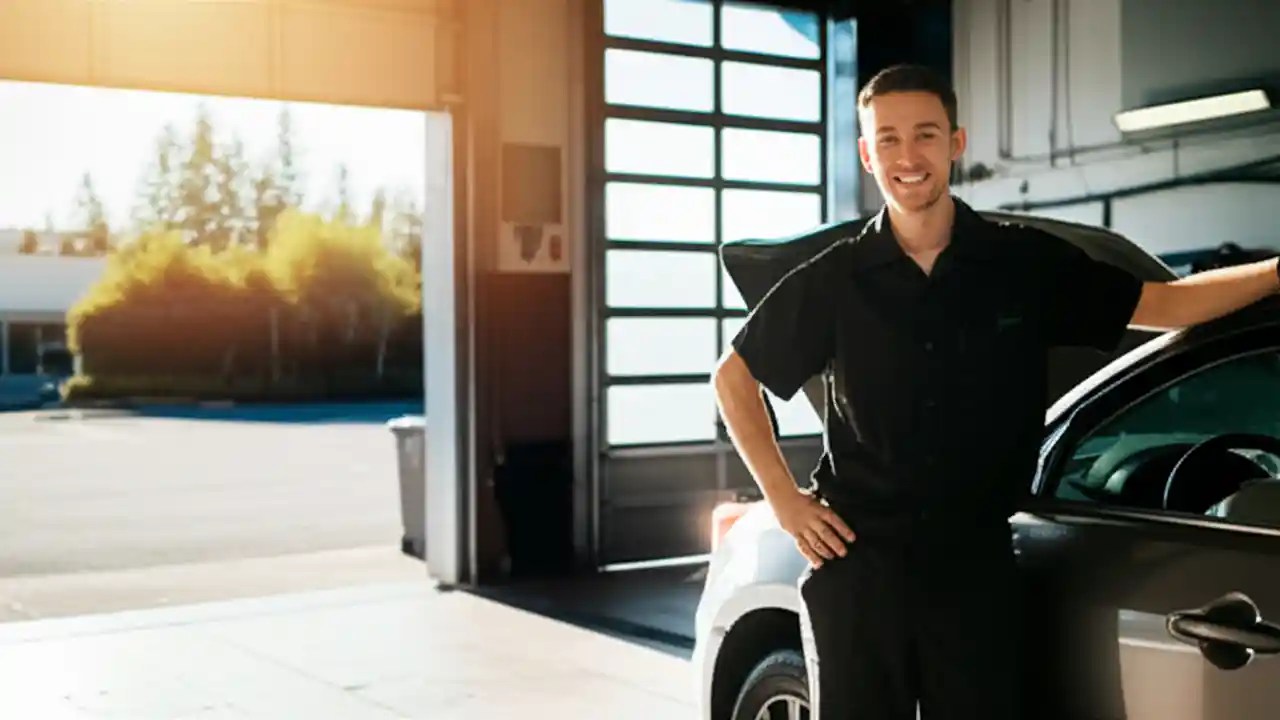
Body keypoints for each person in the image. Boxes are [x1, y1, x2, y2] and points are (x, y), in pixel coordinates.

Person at [710, 63, 1280, 720]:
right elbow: (733, 378)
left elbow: (1168, 303)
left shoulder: (1022, 264)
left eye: (924, 135)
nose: (907, 156)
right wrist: (785, 503)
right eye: (888, 140)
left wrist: (1274, 271)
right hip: (859, 572)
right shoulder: (835, 280)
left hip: (975, 572)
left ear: (956, 142)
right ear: (867, 154)